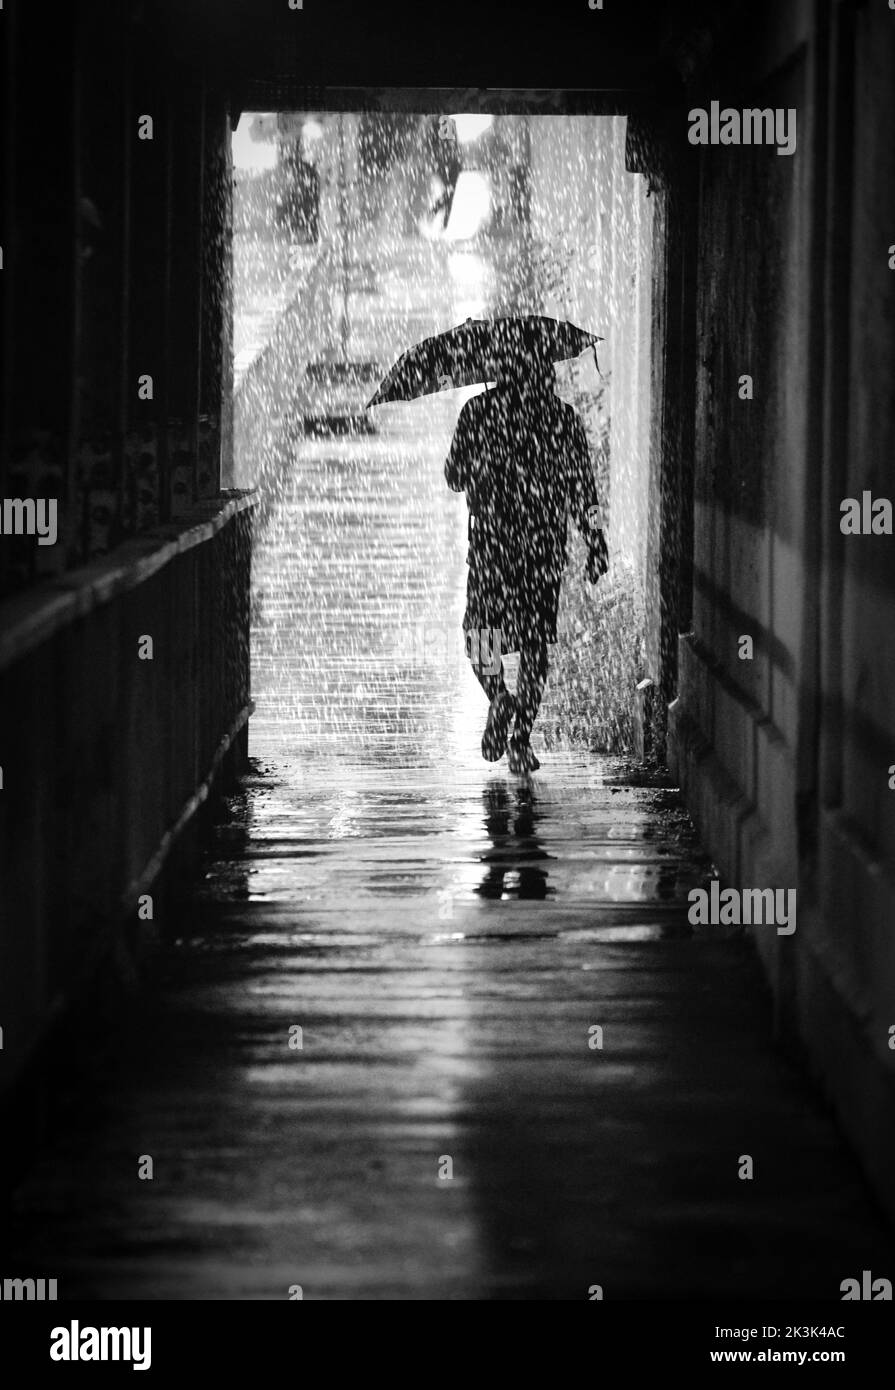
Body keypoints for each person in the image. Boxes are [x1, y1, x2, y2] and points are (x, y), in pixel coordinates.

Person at [445, 351, 608, 773]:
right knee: (535, 643)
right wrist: (595, 542)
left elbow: (454, 478)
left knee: (479, 630)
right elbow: (583, 489)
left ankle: (498, 695)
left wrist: (474, 451)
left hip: (491, 545)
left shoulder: (478, 411)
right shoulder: (562, 419)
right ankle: (521, 741)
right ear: (544, 371)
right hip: (542, 547)